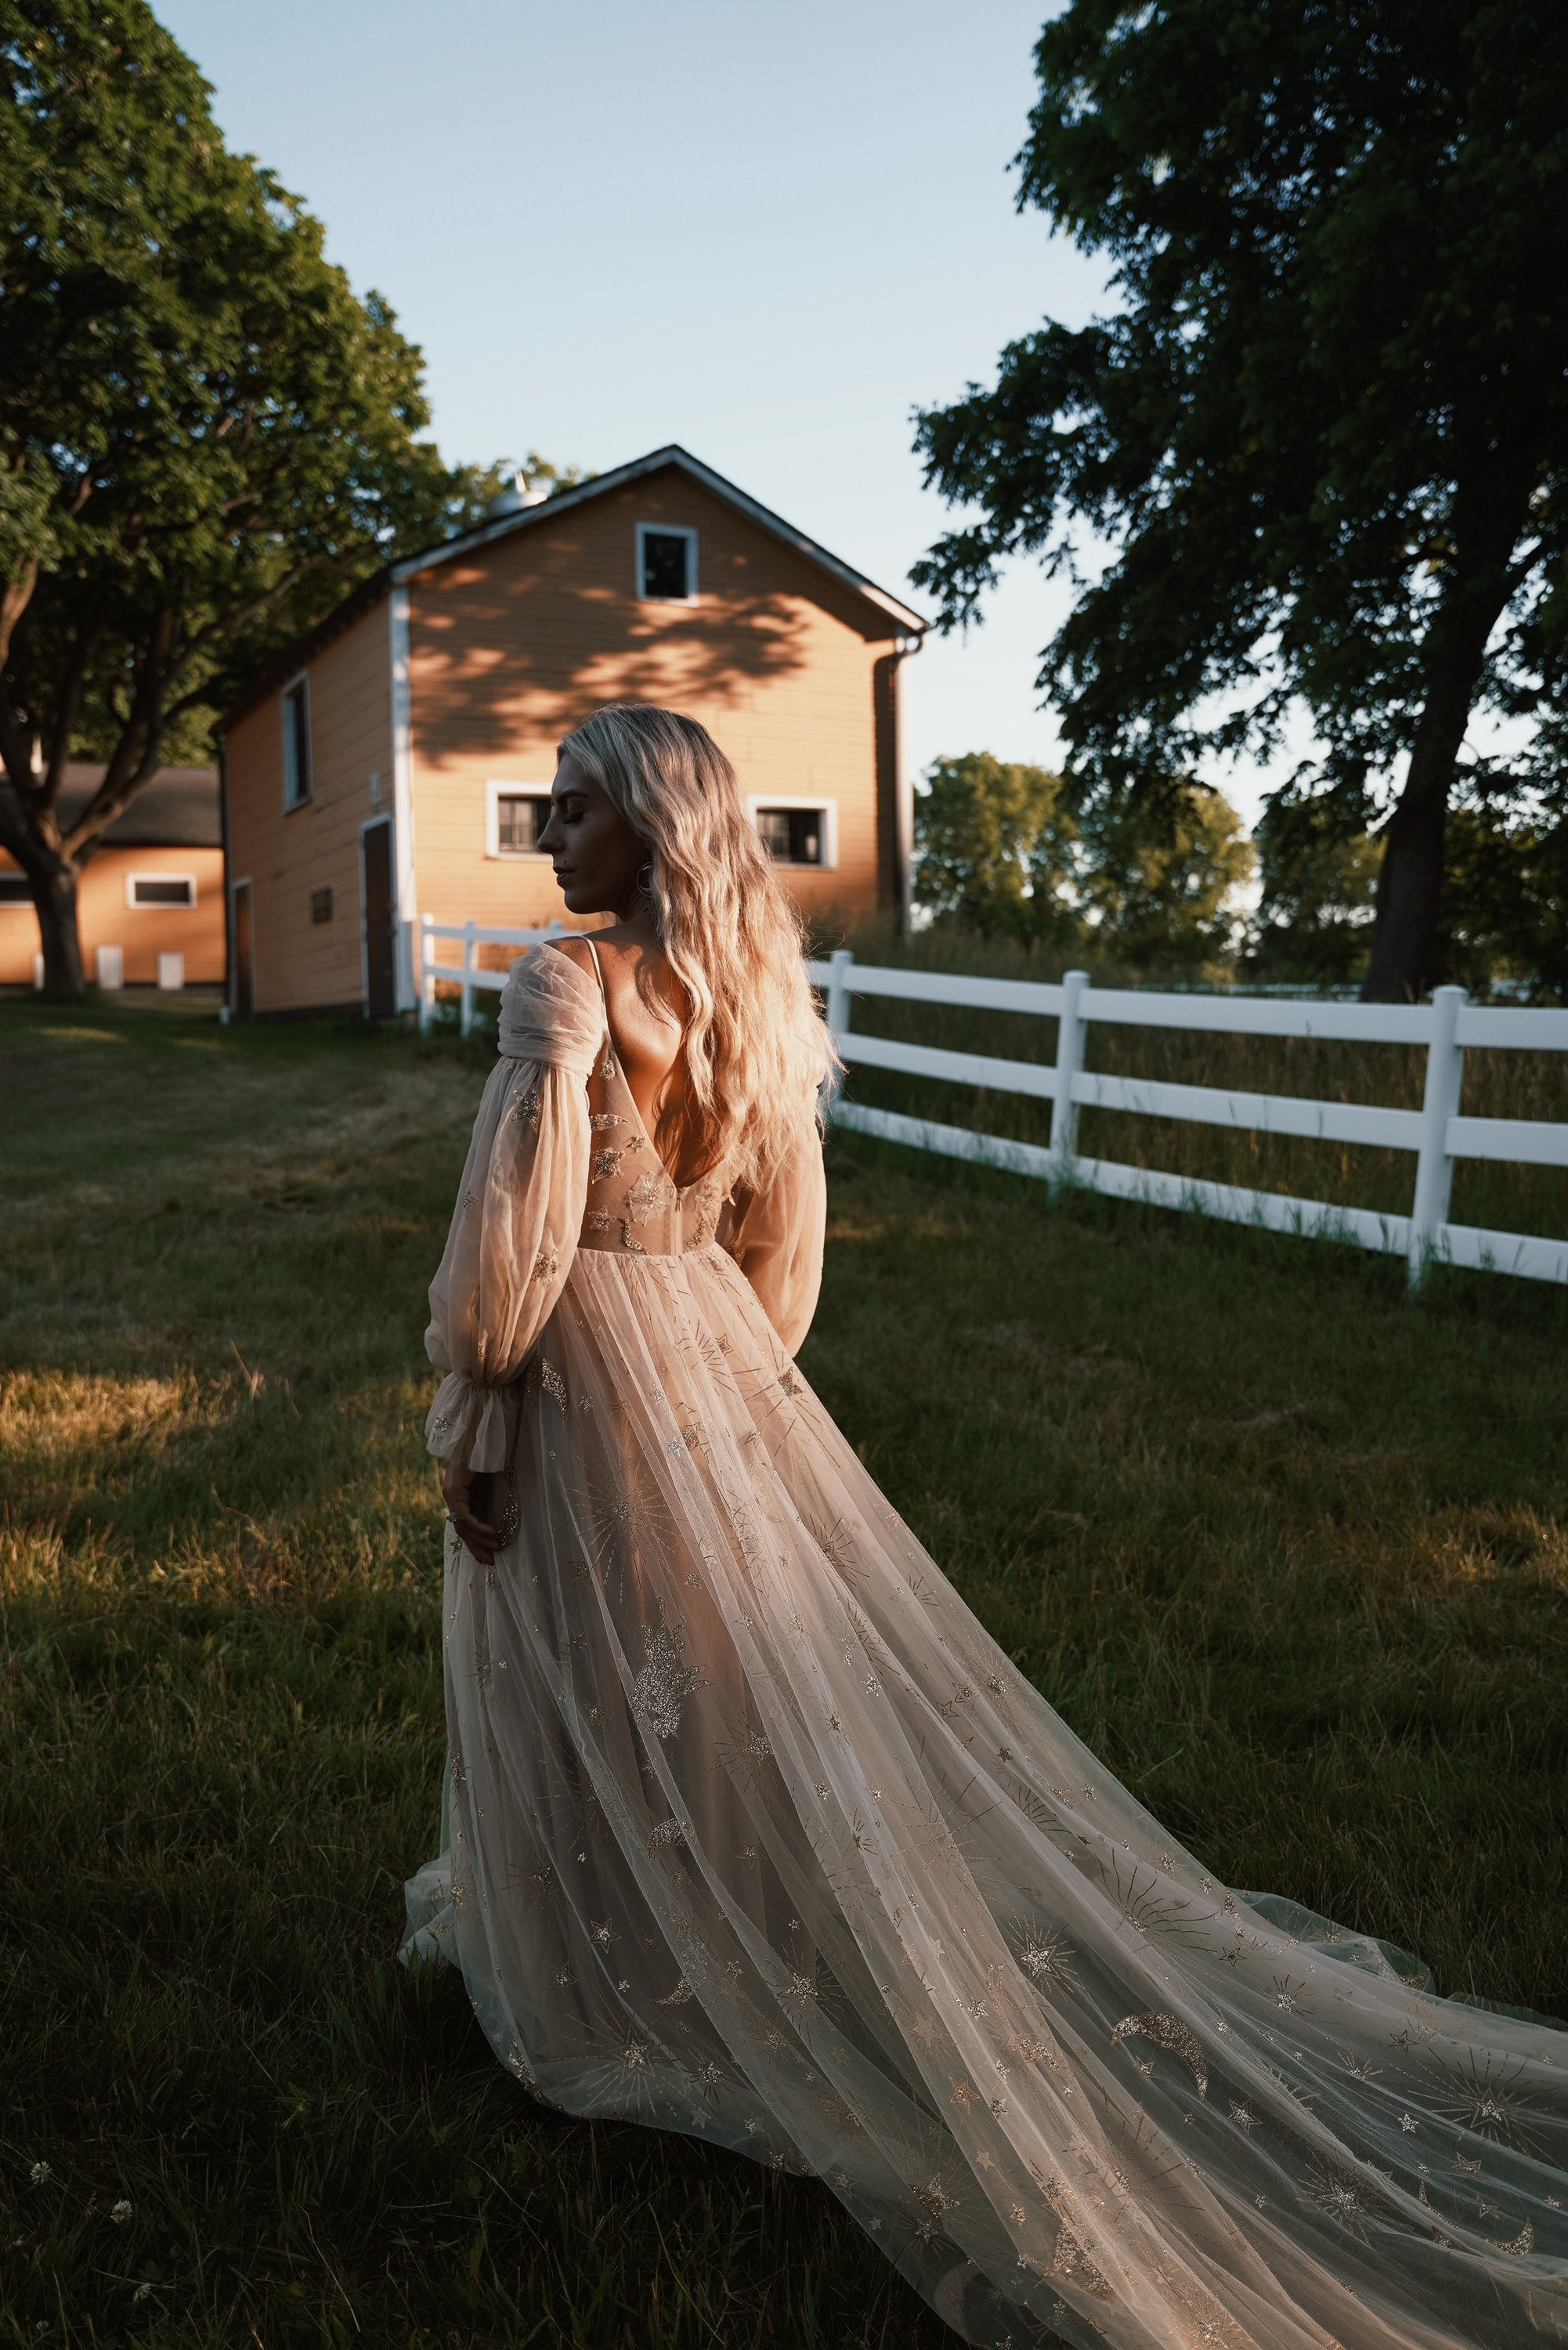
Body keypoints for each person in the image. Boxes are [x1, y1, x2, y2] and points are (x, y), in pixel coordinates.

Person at [403, 703, 1565, 2350]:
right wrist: (732, 1373)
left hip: (585, 1355)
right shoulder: (747, 990)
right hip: (709, 1352)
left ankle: (602, 1984)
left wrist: (484, 1376)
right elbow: (779, 1236)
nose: (547, 837)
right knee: (713, 1677)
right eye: (550, 808)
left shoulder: (567, 981)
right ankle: (695, 1955)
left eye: (575, 811)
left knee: (577, 1654)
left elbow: (512, 1219)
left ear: (652, 830)